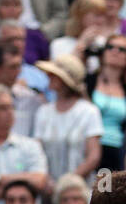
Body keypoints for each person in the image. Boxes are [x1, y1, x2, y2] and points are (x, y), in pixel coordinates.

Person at [33, 53, 103, 182]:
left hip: (80, 190)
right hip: (48, 189)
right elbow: (37, 152)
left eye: (54, 74)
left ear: (65, 81)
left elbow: (93, 156)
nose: (49, 76)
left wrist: (68, 182)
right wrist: (48, 183)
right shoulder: (43, 111)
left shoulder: (89, 111)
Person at [90, 32, 126, 172]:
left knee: (106, 191)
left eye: (122, 49)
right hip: (89, 145)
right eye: (110, 47)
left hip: (116, 149)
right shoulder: (88, 81)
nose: (115, 52)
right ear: (102, 53)